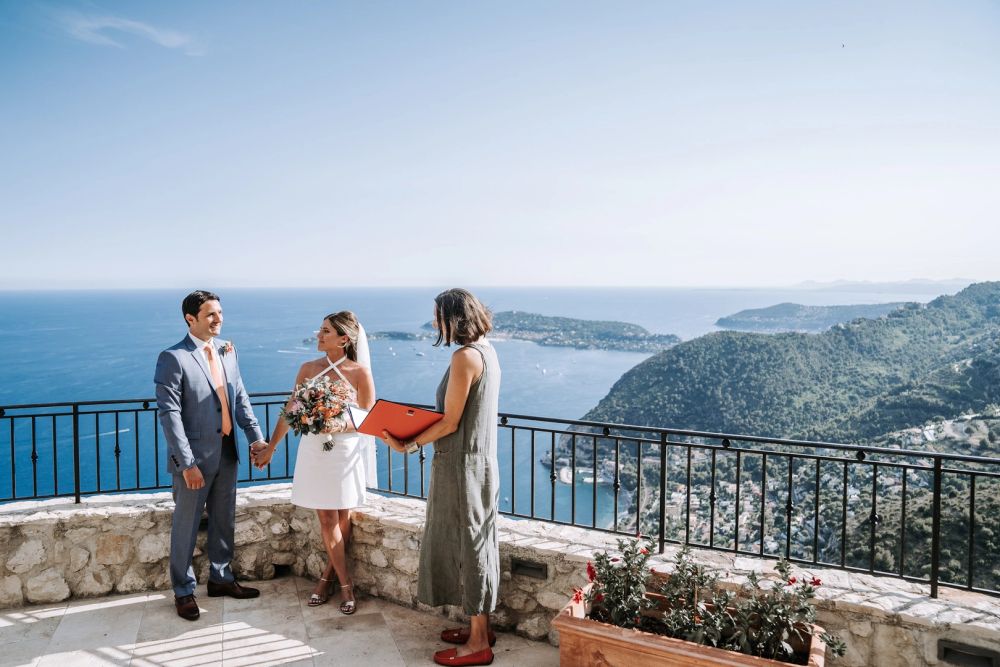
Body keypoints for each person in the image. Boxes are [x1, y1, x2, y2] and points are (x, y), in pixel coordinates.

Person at [383, 289, 501, 667]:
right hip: (477, 463)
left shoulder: (464, 357)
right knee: (476, 544)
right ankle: (478, 628)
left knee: (470, 548)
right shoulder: (487, 350)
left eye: (438, 316)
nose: (434, 323)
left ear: (454, 317)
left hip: (460, 467)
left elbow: (450, 421)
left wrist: (409, 442)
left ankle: (478, 644)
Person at [154, 290, 267, 621]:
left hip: (228, 452)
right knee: (186, 525)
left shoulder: (227, 350)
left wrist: (256, 437)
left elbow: (240, 396)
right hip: (194, 460)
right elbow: (169, 414)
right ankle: (183, 591)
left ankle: (221, 578)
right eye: (211, 315)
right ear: (191, 319)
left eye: (220, 313)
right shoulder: (173, 357)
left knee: (223, 519)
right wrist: (186, 463)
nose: (219, 320)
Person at [252, 311, 375, 614]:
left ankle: (328, 579)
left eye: (325, 332)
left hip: (344, 452)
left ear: (344, 339)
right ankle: (344, 586)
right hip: (314, 451)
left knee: (342, 518)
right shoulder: (308, 368)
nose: (318, 335)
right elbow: (290, 410)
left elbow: (368, 418)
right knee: (328, 519)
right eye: (320, 330)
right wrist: (271, 447)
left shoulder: (359, 372)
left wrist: (338, 425)